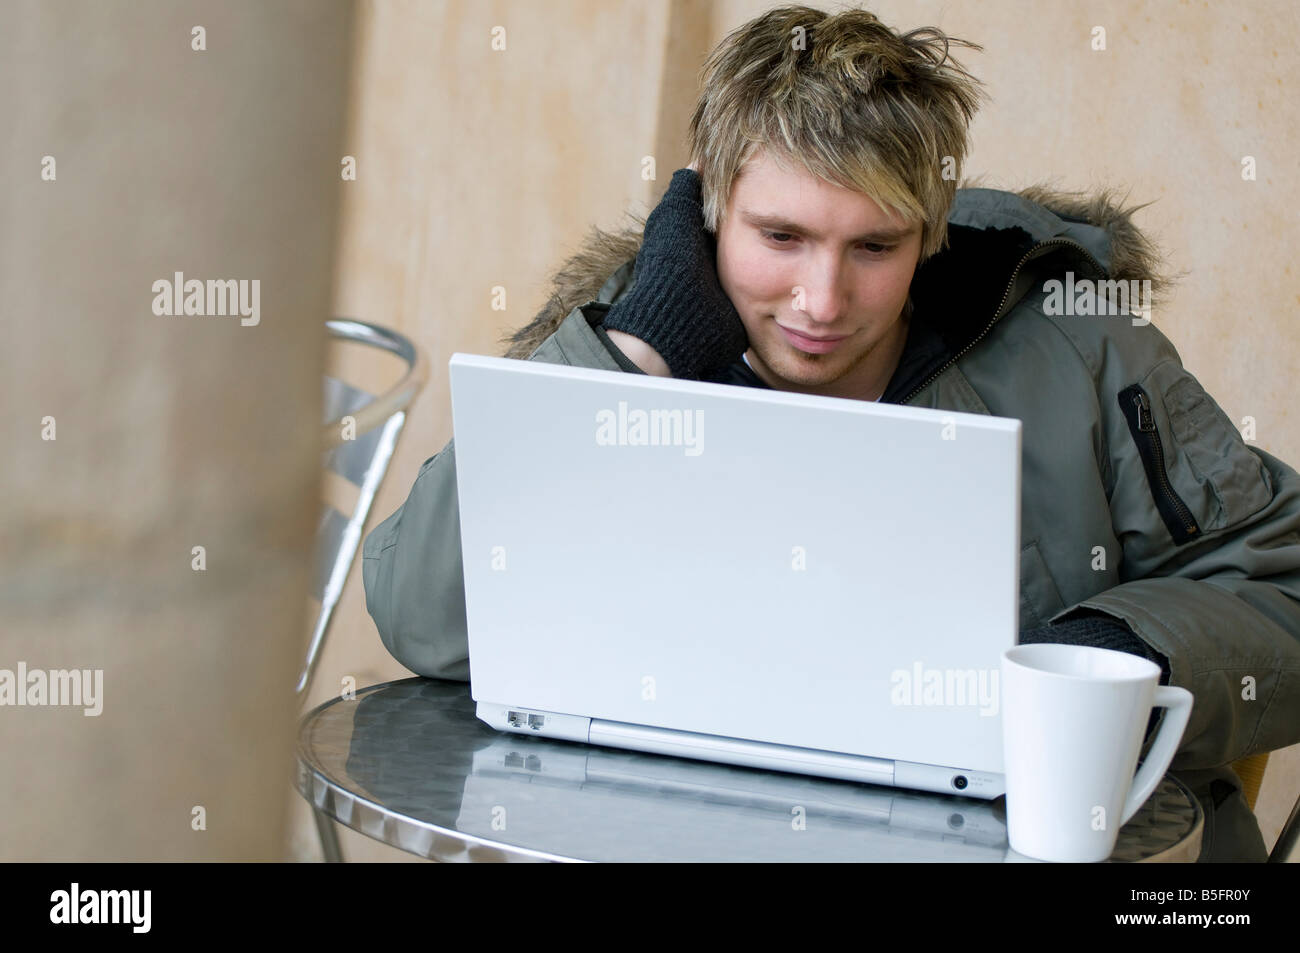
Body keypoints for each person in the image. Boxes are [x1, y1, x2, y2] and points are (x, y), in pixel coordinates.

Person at [362, 5, 1300, 862]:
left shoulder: (1087, 355)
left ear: (928, 233)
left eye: (874, 247)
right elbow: (422, 616)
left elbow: (1282, 587)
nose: (822, 301)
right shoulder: (612, 354)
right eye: (780, 237)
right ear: (708, 210)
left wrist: (1115, 655)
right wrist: (640, 355)